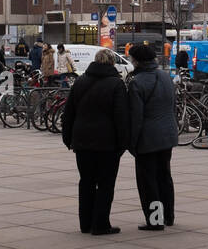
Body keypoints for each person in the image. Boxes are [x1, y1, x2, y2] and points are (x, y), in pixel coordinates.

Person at [62, 49, 130, 235]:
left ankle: (86, 223)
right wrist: (123, 143)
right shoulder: (116, 84)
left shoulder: (80, 82)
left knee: (86, 182)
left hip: (82, 141)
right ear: (112, 63)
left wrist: (68, 139)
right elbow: (121, 117)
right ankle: (100, 224)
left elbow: (69, 113)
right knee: (106, 184)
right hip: (108, 144)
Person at [127, 44, 178, 230]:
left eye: (132, 58)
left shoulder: (137, 82)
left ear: (137, 60)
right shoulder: (166, 77)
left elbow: (136, 116)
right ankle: (169, 216)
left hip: (148, 138)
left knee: (148, 181)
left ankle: (155, 220)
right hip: (168, 134)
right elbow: (173, 105)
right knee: (164, 176)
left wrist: (131, 142)